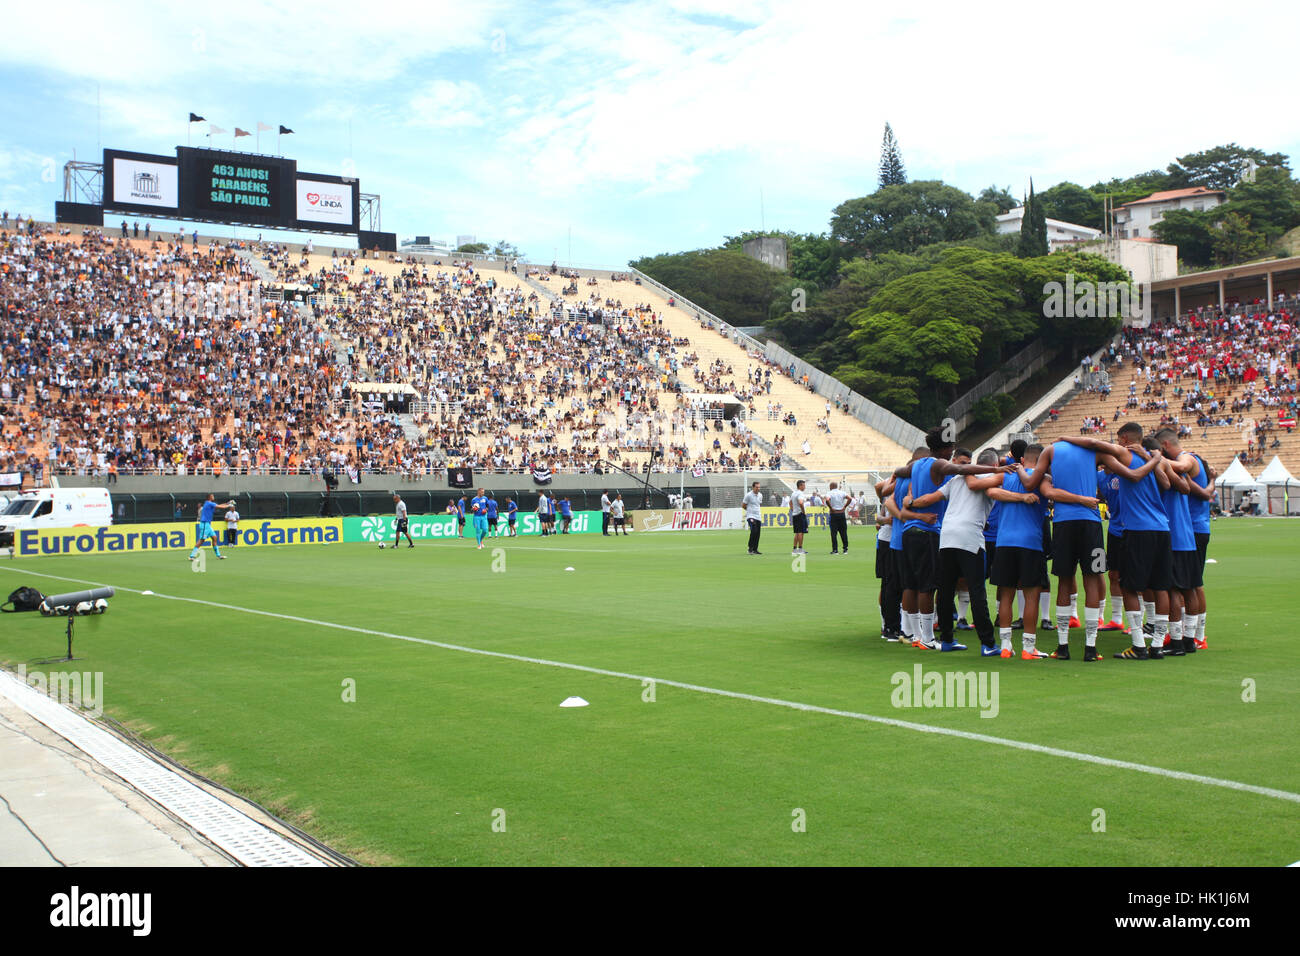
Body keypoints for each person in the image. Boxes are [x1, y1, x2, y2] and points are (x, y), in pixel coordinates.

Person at [908, 448, 1005, 654]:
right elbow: (978, 486)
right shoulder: (994, 476)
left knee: (946, 590)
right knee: (976, 590)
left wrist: (910, 502)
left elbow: (928, 500)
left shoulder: (955, 480)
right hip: (970, 537)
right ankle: (987, 643)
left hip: (947, 535)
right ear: (995, 465)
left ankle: (947, 639)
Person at [188, 494, 229, 561]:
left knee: (214, 538)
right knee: (201, 540)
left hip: (207, 525)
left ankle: (218, 555)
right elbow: (221, 507)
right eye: (212, 496)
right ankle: (191, 556)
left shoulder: (209, 503)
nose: (213, 496)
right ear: (209, 497)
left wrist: (227, 503)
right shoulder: (209, 503)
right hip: (204, 524)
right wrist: (229, 505)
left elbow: (219, 505)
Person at [825, 481, 849, 554]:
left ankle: (835, 550)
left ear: (831, 486)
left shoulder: (829, 493)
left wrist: (831, 508)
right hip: (841, 514)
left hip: (834, 514)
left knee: (833, 533)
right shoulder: (842, 492)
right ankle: (845, 549)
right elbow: (850, 498)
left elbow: (827, 500)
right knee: (843, 532)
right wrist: (844, 506)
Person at [789, 479, 810, 555]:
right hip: (800, 514)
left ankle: (794, 549)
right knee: (801, 532)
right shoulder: (800, 493)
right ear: (800, 485)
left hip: (795, 514)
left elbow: (790, 502)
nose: (805, 487)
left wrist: (793, 509)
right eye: (804, 485)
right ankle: (800, 549)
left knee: (797, 532)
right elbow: (801, 503)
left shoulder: (794, 493)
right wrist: (803, 511)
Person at [743, 480, 763, 554]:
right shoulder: (748, 495)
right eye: (757, 487)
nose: (758, 489)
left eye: (759, 487)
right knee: (754, 530)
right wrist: (749, 512)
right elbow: (743, 505)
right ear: (753, 487)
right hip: (751, 516)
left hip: (758, 516)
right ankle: (750, 548)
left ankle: (755, 549)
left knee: (758, 533)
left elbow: (759, 504)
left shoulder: (760, 495)